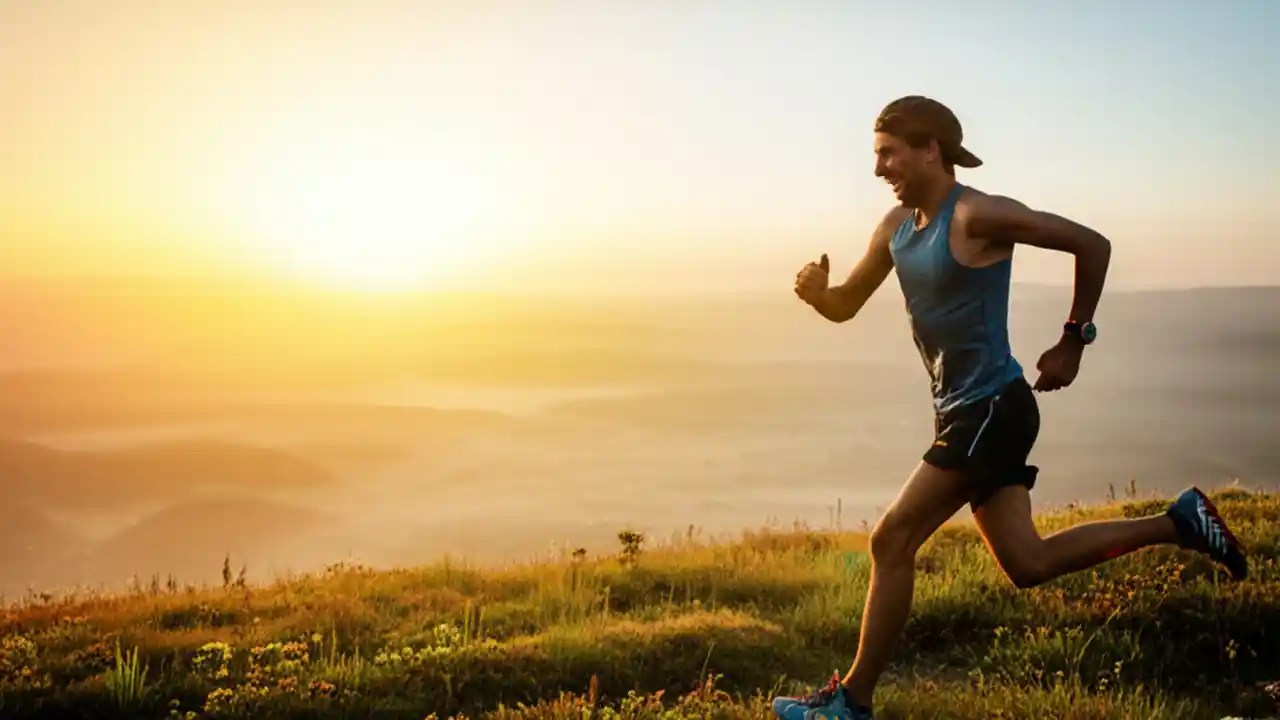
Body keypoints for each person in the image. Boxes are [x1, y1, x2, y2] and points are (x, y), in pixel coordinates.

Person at [773, 96, 1249, 720]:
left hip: (992, 409)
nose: (878, 168)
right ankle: (1179, 523)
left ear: (930, 150)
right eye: (876, 154)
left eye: (888, 153)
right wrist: (816, 295)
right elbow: (845, 305)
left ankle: (850, 703)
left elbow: (1092, 244)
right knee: (1028, 562)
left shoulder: (977, 215)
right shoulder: (895, 228)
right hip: (963, 413)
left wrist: (1073, 340)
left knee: (891, 540)